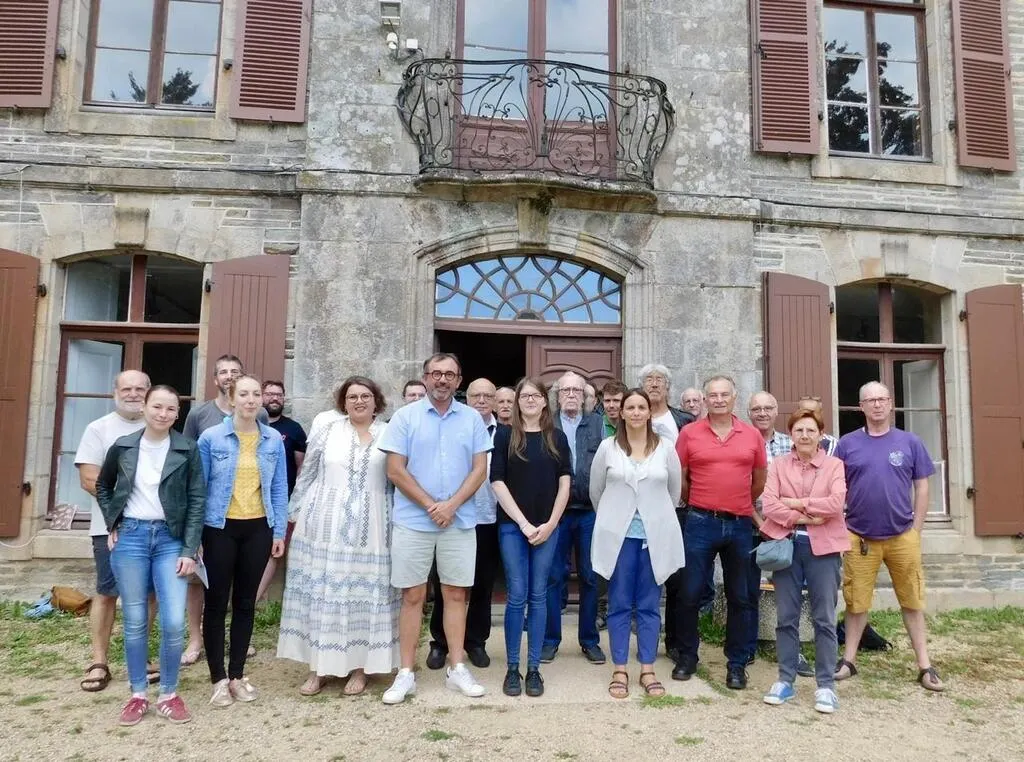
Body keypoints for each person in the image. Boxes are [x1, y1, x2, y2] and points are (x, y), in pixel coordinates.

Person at [378, 353, 491, 704]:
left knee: (456, 594)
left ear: (459, 381)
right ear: (426, 377)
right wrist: (432, 505)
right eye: (436, 373)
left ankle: (457, 668)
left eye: (449, 374)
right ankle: (406, 673)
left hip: (459, 520)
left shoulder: (471, 419)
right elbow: (395, 470)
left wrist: (451, 505)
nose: (442, 379)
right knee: (412, 596)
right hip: (414, 521)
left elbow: (480, 469)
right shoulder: (405, 417)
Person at [277, 376, 400, 696]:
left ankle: (360, 669)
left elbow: (395, 480)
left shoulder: (388, 433)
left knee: (364, 594)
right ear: (343, 403)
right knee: (324, 592)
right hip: (325, 524)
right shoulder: (328, 430)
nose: (359, 401)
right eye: (352, 396)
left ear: (376, 401)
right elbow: (308, 473)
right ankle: (319, 668)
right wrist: (294, 513)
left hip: (373, 525)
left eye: (365, 396)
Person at [96, 385, 205, 725]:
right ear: (144, 407)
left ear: (178, 414)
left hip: (171, 539)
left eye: (170, 408)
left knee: (172, 621)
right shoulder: (123, 446)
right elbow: (103, 486)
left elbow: (197, 499)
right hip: (131, 537)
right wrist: (112, 521)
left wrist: (189, 548)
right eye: (157, 406)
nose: (163, 413)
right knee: (135, 619)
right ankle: (138, 694)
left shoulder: (187, 448)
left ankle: (169, 694)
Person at [834, 381, 942, 692]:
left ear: (891, 403)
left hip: (902, 535)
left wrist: (916, 528)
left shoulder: (910, 442)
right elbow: (836, 488)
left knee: (912, 601)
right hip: (859, 538)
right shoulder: (847, 444)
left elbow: (922, 485)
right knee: (856, 602)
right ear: (861, 407)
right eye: (870, 400)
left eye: (882, 399)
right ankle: (849, 660)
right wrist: (841, 526)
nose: (877, 405)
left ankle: (925, 665)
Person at [198, 375, 288, 707]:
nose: (251, 400)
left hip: (258, 529)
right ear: (232, 398)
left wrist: (278, 532)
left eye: (256, 394)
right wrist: (195, 537)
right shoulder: (211, 438)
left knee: (246, 603)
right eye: (244, 394)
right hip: (219, 528)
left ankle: (236, 674)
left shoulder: (272, 439)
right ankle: (218, 679)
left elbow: (279, 487)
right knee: (216, 603)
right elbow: (199, 489)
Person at [673, 375, 767, 689]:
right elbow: (681, 477)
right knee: (689, 592)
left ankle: (736, 664)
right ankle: (687, 656)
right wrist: (702, 500)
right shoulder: (689, 433)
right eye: (713, 395)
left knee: (740, 595)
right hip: (700, 521)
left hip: (739, 524)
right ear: (705, 399)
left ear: (734, 397)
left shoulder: (751, 435)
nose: (718, 400)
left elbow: (759, 479)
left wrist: (736, 501)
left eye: (724, 394)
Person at [590, 388, 684, 699]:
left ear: (649, 412)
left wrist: (654, 516)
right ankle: (619, 668)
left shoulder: (665, 448)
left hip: (653, 538)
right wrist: (615, 517)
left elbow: (674, 493)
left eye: (641, 407)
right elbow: (596, 492)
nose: (635, 413)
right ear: (621, 413)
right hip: (619, 537)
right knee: (618, 603)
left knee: (649, 604)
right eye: (629, 407)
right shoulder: (608, 447)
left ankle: (647, 668)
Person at [180, 354, 268, 666]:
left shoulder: (262, 420)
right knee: (202, 587)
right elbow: (192, 468)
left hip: (253, 521)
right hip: (215, 521)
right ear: (218, 380)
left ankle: (238, 651)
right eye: (224, 372)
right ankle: (196, 638)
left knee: (241, 592)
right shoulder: (200, 417)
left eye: (235, 372)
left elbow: (269, 472)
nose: (229, 376)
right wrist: (194, 528)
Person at [760, 408, 848, 714]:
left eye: (811, 430)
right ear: (791, 435)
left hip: (824, 549)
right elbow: (769, 505)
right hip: (787, 547)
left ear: (821, 434)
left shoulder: (834, 465)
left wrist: (796, 503)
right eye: (799, 430)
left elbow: (835, 504)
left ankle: (825, 685)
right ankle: (785, 679)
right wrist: (810, 515)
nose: (805, 435)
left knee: (824, 617)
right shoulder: (779, 465)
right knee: (786, 616)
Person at [491, 377, 571, 697]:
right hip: (514, 527)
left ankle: (534, 668)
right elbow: (497, 482)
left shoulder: (556, 437)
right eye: (524, 396)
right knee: (517, 595)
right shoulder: (505, 436)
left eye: (536, 396)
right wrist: (524, 523)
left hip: (547, 527)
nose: (530, 400)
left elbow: (565, 482)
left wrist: (551, 524)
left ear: (544, 401)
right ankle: (513, 668)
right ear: (517, 401)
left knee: (538, 595)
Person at [75, 370, 151, 693]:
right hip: (110, 527)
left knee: (149, 594)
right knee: (107, 593)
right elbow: (89, 479)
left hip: (153, 527)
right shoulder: (99, 429)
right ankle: (99, 661)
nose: (133, 394)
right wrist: (126, 505)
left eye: (139, 389)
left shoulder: (159, 426)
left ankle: (141, 658)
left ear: (148, 392)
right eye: (127, 388)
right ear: (115, 392)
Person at [427, 378, 501, 670]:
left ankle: (476, 642)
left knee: (483, 584)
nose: (481, 400)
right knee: (446, 583)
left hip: (488, 518)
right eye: (476, 395)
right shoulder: (451, 427)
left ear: (495, 401)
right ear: (466, 398)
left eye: (488, 396)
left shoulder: (505, 433)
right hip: (452, 517)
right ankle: (440, 643)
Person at [543, 371, 606, 666]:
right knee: (554, 576)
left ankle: (589, 640)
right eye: (565, 390)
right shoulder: (547, 423)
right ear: (557, 396)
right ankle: (550, 640)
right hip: (556, 513)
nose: (571, 395)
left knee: (590, 577)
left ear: (585, 396)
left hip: (589, 511)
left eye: (576, 391)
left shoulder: (597, 424)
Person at [746, 391, 792, 663]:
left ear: (776, 412)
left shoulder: (790, 444)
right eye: (756, 409)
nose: (762, 413)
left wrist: (779, 523)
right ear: (749, 413)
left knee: (788, 591)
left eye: (767, 408)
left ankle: (790, 650)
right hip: (750, 525)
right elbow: (739, 489)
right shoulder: (741, 442)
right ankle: (747, 647)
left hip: (785, 529)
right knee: (747, 591)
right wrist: (760, 522)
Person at [254, 381, 307, 607]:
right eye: (269, 394)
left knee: (273, 550)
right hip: (251, 499)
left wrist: (296, 497)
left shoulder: (294, 429)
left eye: (279, 394)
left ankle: (252, 601)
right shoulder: (252, 426)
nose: (274, 398)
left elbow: (301, 467)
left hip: (281, 501)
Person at [639, 364, 695, 440]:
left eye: (659, 380)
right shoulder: (633, 418)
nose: (654, 385)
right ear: (642, 387)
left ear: (667, 387)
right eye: (649, 380)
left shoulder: (686, 420)